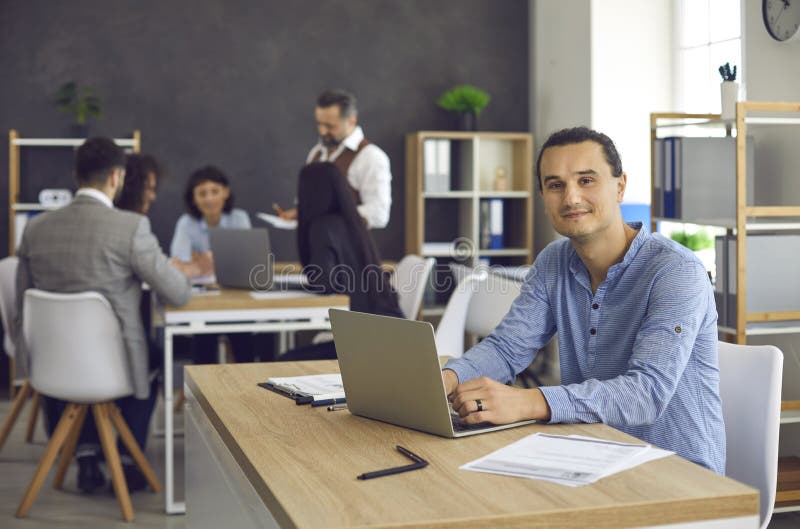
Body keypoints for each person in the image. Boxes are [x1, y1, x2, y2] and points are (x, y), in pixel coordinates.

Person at [442, 127, 725, 474]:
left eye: (586, 180)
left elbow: (645, 393)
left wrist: (529, 401)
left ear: (620, 186)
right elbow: (505, 349)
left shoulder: (676, 271)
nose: (571, 197)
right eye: (555, 184)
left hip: (680, 475)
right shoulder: (553, 261)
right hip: (595, 456)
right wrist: (447, 379)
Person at [14, 137, 192, 493]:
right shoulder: (129, 227)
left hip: (50, 367)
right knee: (151, 356)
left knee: (83, 353)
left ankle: (88, 455)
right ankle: (127, 460)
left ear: (76, 175)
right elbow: (178, 292)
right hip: (113, 370)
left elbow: (23, 303)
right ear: (116, 177)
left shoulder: (35, 228)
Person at [279, 162, 402, 360]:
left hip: (367, 343)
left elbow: (325, 284)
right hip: (392, 334)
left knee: (285, 360)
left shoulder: (322, 227)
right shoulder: (354, 223)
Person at [169, 165, 261, 363]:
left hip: (237, 298)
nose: (209, 198)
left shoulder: (239, 218)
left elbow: (247, 261)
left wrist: (200, 260)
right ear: (193, 198)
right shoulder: (186, 222)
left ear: (225, 192)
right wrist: (207, 262)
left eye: (214, 191)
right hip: (202, 302)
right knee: (203, 341)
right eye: (202, 193)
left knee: (243, 342)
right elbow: (178, 263)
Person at [274, 89, 392, 229]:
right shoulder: (316, 153)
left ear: (351, 121)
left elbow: (379, 214)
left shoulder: (371, 157)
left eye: (330, 126)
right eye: (319, 124)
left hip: (349, 248)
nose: (323, 131)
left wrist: (327, 215)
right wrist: (299, 213)